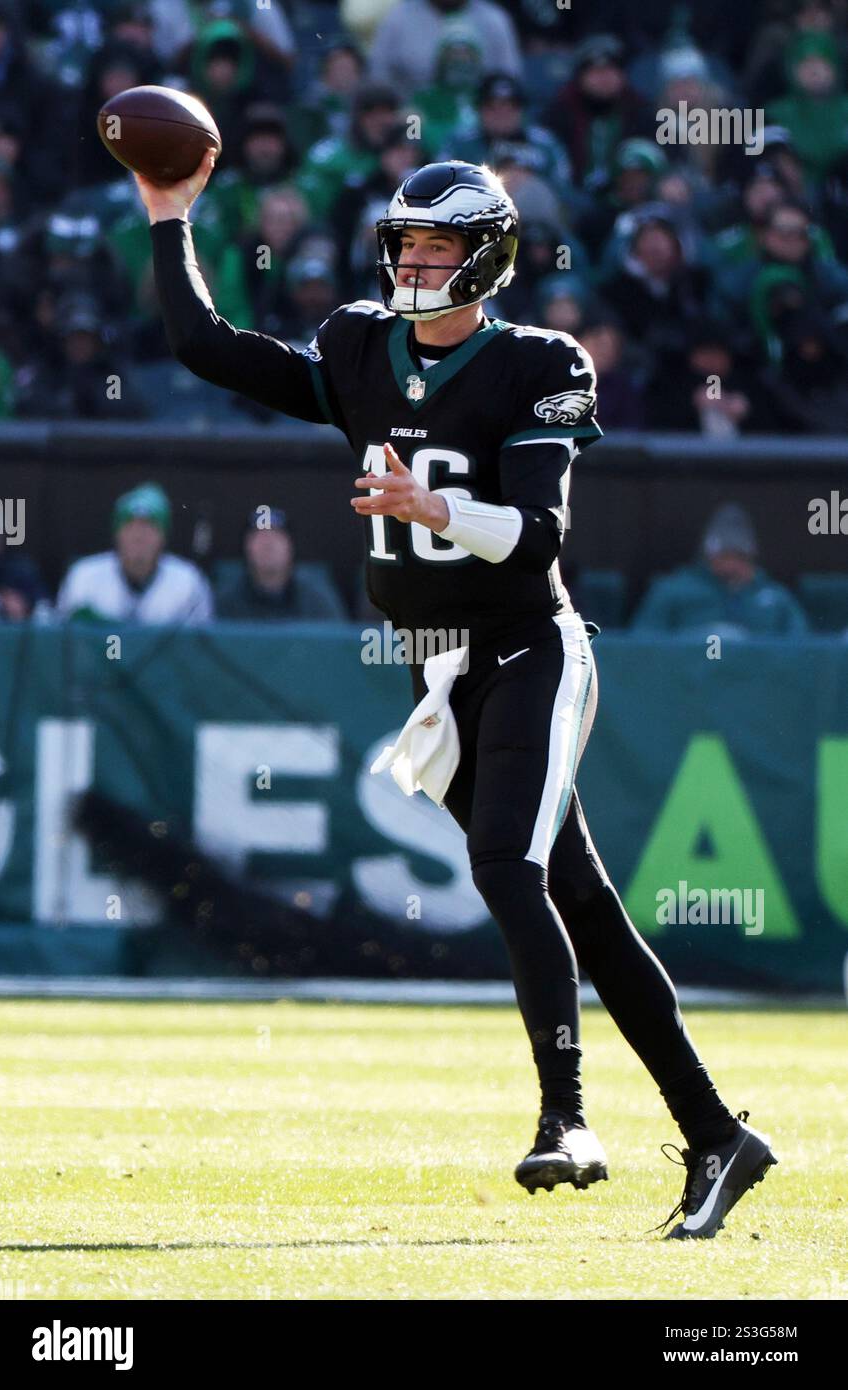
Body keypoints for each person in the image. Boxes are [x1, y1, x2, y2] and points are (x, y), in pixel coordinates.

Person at [137, 151, 777, 1239]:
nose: (414, 259)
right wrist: (168, 215)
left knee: (503, 867)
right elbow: (205, 345)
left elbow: (537, 536)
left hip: (532, 644)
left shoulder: (536, 360)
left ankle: (565, 1118)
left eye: (435, 244)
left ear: (484, 254)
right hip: (439, 667)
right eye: (405, 242)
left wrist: (432, 516)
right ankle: (717, 1135)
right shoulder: (356, 345)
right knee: (583, 909)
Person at [633, 504, 808, 639]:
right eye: (724, 556)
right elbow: (644, 645)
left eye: (739, 557)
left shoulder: (775, 597)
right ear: (707, 557)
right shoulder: (672, 590)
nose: (731, 565)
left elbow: (803, 646)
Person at [57, 482, 213, 624]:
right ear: (117, 533)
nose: (138, 536)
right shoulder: (84, 577)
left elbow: (198, 649)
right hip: (103, 655)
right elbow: (63, 643)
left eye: (148, 527)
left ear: (164, 537)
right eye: (130, 526)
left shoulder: (188, 581)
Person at [214, 508, 348, 621]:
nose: (268, 544)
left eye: (276, 535)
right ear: (247, 546)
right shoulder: (227, 601)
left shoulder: (317, 600)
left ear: (290, 546)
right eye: (260, 536)